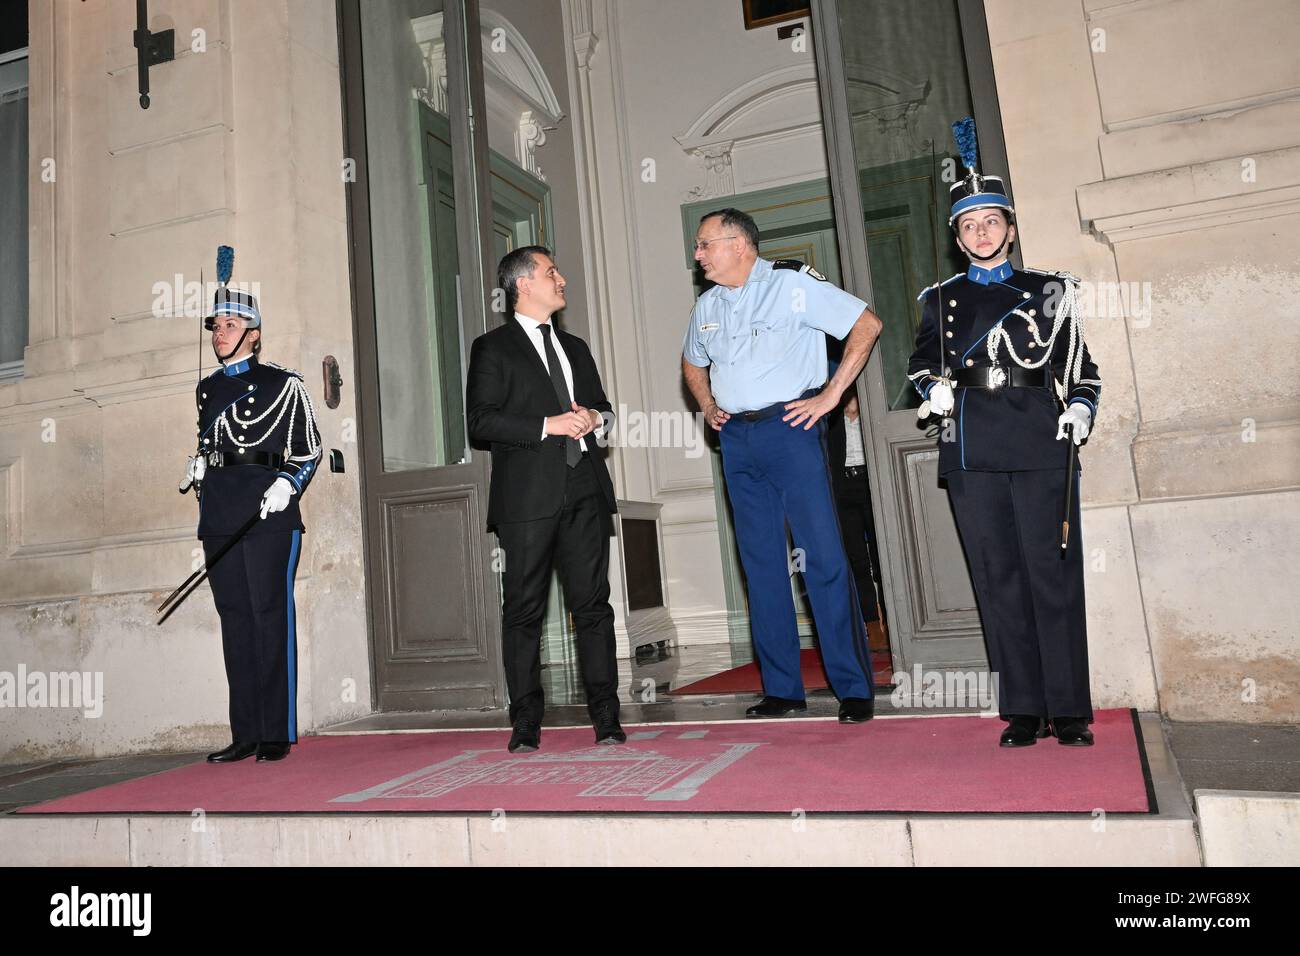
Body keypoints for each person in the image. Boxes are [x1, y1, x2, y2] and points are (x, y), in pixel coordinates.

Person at [907, 118, 1100, 747]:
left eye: (991, 221)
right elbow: (920, 364)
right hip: (972, 446)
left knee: (1053, 573)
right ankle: (1022, 708)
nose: (980, 232)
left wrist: (1081, 409)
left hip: (1041, 441)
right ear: (959, 239)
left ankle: (1068, 708)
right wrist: (930, 388)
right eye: (969, 225)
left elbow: (1081, 368)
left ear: (1009, 229)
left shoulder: (1047, 291)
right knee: (999, 579)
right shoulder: (939, 299)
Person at [681, 208, 884, 723]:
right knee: (761, 566)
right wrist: (707, 407)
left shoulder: (793, 285)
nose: (698, 254)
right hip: (737, 441)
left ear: (740, 244)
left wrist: (831, 396)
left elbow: (866, 324)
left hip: (791, 431)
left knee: (821, 558)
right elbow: (692, 361)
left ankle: (854, 688)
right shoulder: (706, 305)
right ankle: (782, 689)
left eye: (705, 244)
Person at [465, 246, 623, 754]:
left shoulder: (576, 346)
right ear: (523, 285)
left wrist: (596, 419)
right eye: (552, 272)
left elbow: (603, 408)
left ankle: (607, 717)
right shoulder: (492, 348)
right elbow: (481, 422)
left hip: (585, 489)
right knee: (524, 610)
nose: (563, 279)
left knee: (593, 606)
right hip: (528, 498)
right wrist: (547, 425)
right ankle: (526, 723)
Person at [184, 245, 323, 763]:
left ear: (254, 332)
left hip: (268, 512)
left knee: (269, 615)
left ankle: (274, 731)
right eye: (215, 324)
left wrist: (288, 482)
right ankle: (244, 733)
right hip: (220, 511)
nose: (219, 332)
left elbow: (309, 446)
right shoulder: (206, 389)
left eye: (230, 323)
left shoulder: (283, 384)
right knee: (235, 618)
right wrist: (199, 467)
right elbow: (209, 441)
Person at [825, 390, 884, 636]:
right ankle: (871, 623)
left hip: (872, 486)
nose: (851, 401)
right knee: (857, 559)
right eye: (847, 395)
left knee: (881, 557)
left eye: (855, 395)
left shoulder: (873, 420)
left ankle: (892, 620)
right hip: (844, 490)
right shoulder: (832, 423)